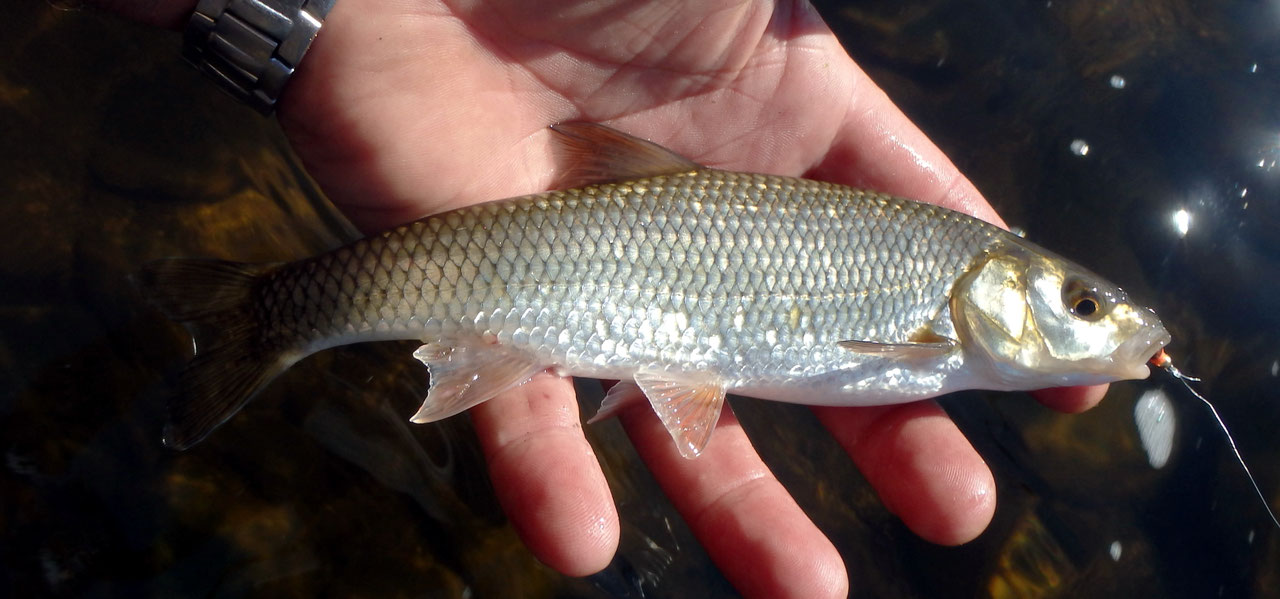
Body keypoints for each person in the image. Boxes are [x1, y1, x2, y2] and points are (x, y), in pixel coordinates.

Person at [94, 1, 1108, 596]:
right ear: (1006, 287)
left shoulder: (950, 286)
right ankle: (267, 310)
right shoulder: (942, 301)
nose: (1095, 323)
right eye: (1082, 304)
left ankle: (264, 308)